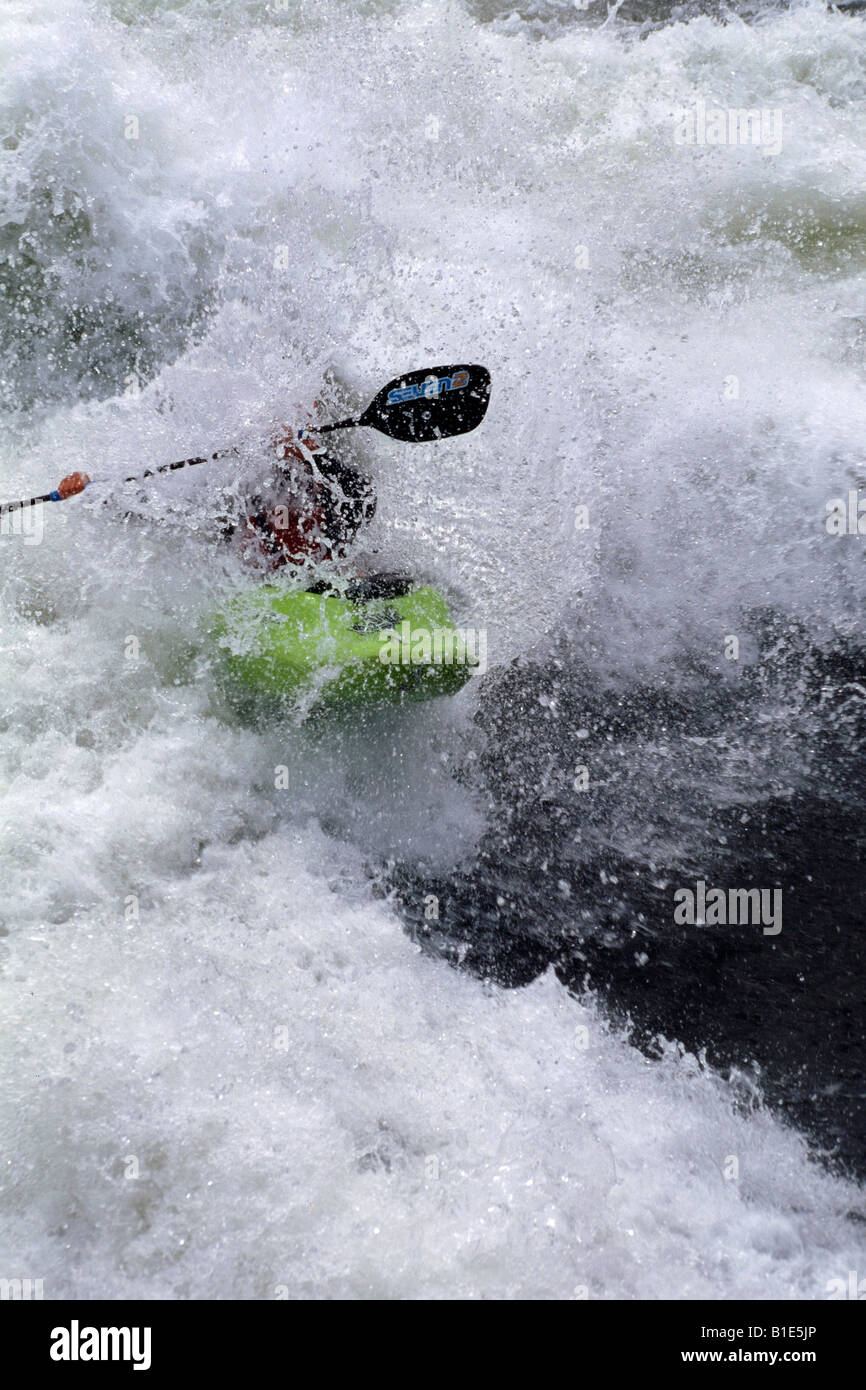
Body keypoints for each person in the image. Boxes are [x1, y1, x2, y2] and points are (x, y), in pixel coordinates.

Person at [55, 426, 378, 583]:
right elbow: (154, 512)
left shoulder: (340, 501)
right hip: (273, 595)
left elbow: (363, 494)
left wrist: (312, 455)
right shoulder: (234, 508)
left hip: (333, 588)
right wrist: (91, 488)